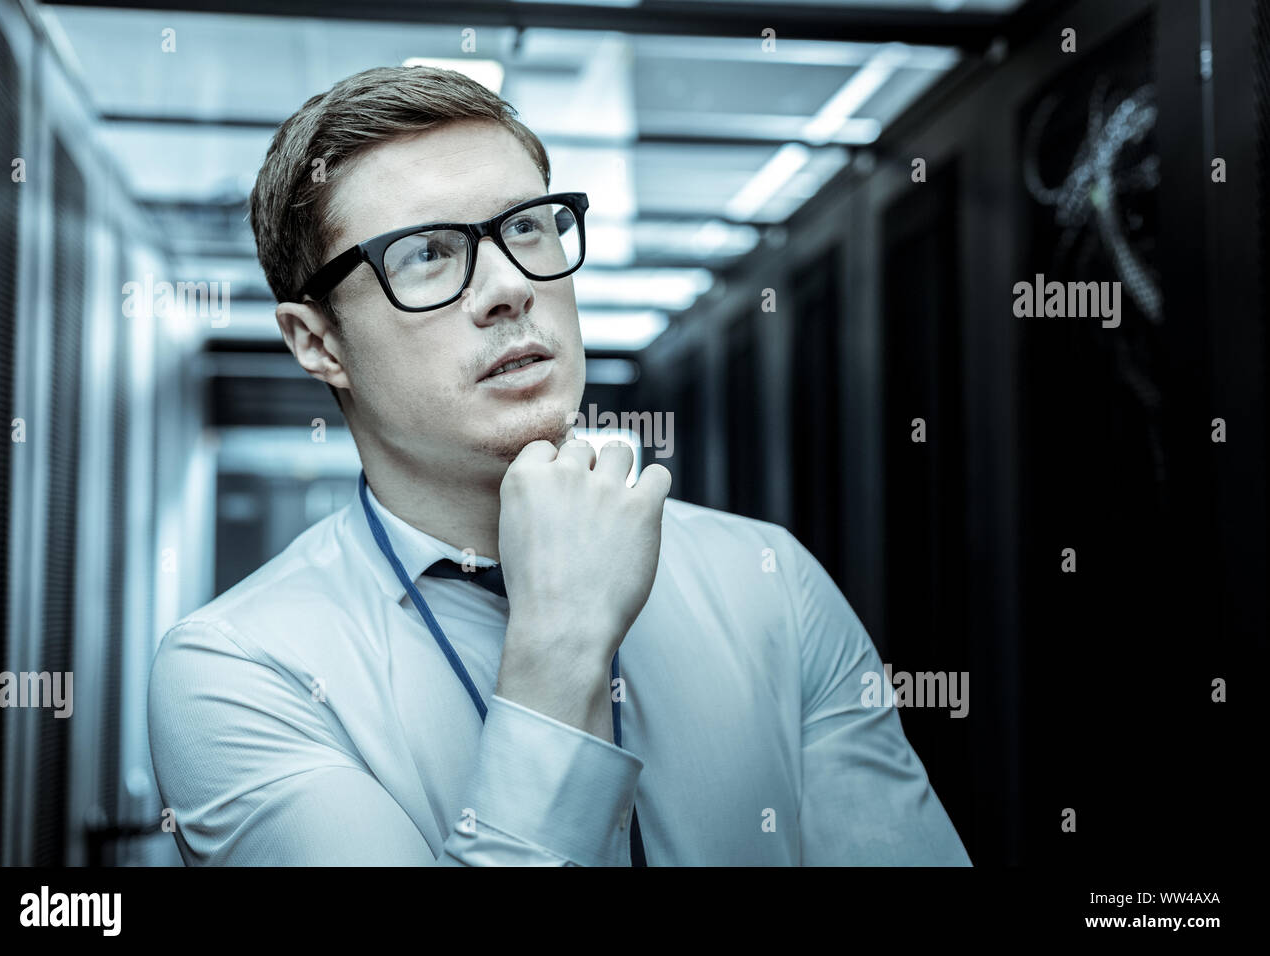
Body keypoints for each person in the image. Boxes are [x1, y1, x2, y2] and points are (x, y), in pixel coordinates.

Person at [147, 64, 971, 866]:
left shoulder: (770, 580)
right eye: (425, 252)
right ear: (319, 343)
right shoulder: (238, 671)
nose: (509, 286)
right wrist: (559, 648)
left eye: (528, 227)